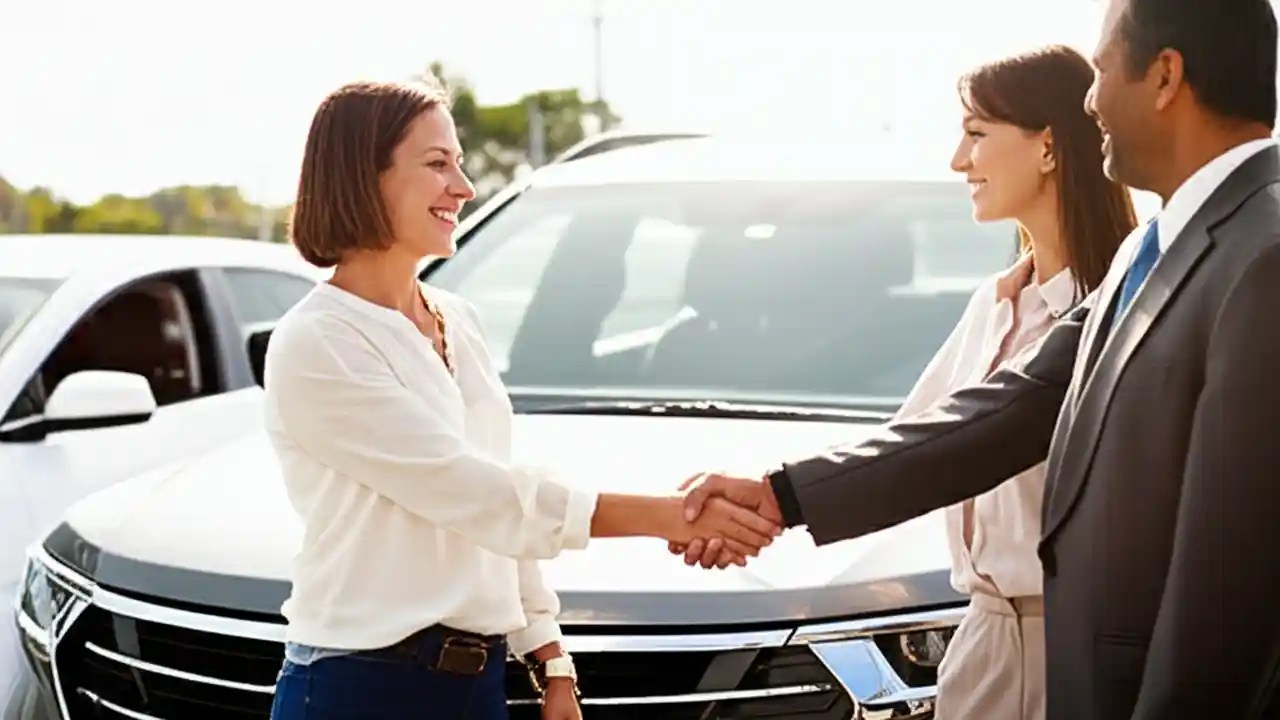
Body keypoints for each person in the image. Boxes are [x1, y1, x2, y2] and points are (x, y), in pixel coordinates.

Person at [677, 0, 1280, 718]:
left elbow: (1232, 583)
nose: (1091, 102)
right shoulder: (1152, 255)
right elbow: (1009, 409)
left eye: (1101, 72)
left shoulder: (1263, 256)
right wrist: (782, 494)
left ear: (1165, 76)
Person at [264, 77, 780, 720]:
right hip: (360, 688)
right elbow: (477, 494)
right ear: (361, 177)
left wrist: (549, 656)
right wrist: (669, 516)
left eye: (459, 162)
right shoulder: (317, 341)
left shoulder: (456, 319)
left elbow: (501, 502)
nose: (464, 186)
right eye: (436, 164)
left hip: (477, 687)